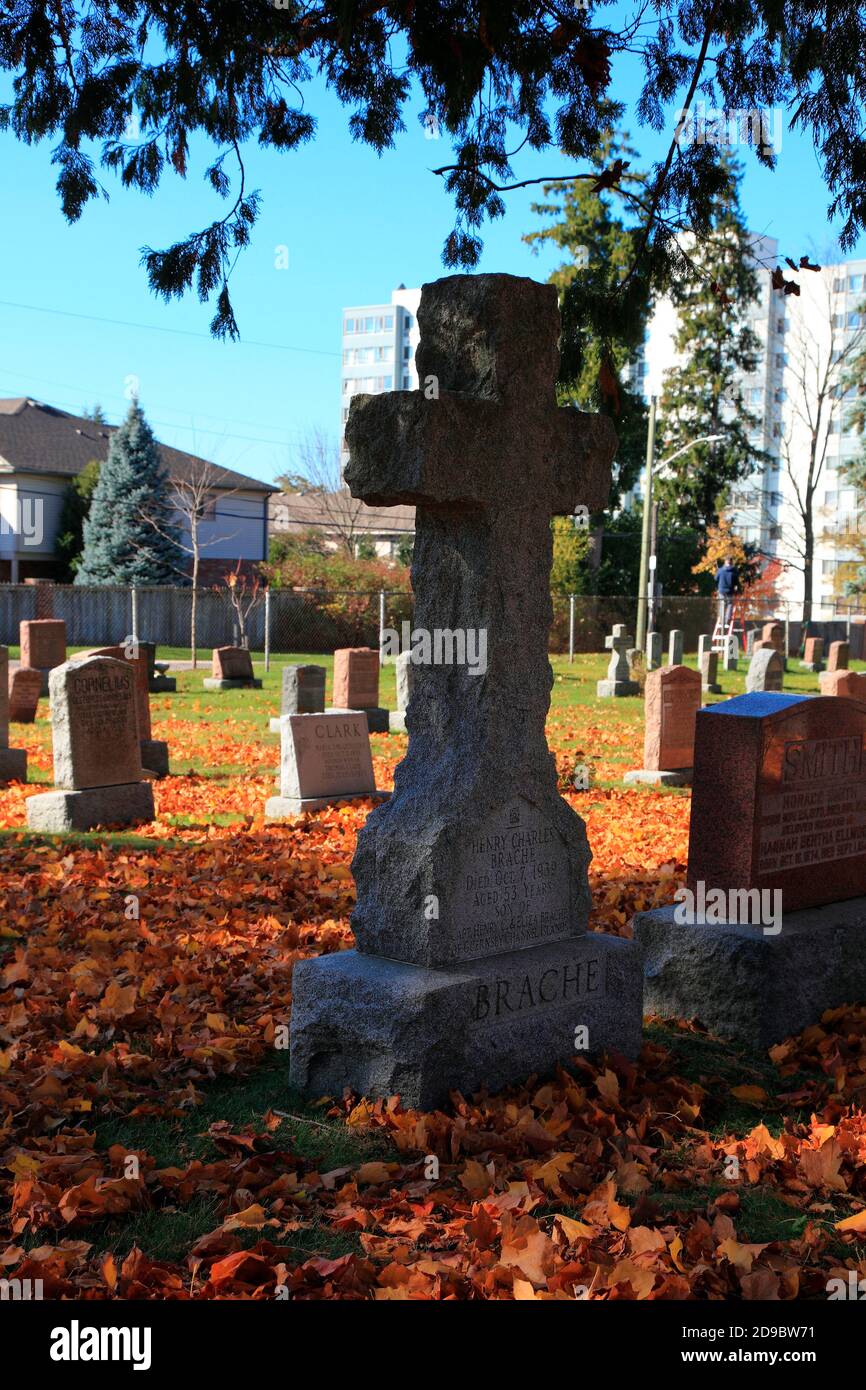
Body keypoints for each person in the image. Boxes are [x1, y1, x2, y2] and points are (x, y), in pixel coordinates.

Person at [715, 555, 738, 628]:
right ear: (731, 562)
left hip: (721, 590)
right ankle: (727, 620)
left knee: (722, 605)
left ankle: (722, 621)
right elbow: (736, 582)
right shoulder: (734, 570)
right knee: (730, 604)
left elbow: (716, 578)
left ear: (725, 562)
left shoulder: (721, 570)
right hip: (730, 591)